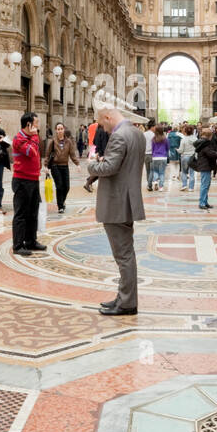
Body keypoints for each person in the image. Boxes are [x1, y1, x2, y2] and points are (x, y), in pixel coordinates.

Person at [84, 105, 145, 314]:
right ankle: (123, 298)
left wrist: (91, 164)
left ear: (108, 117)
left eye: (103, 124)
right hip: (128, 201)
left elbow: (109, 168)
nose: (105, 130)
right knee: (125, 253)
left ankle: (127, 303)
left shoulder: (119, 135)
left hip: (117, 202)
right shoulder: (137, 133)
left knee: (124, 256)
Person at [11, 112, 43, 255]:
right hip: (22, 180)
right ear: (28, 124)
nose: (38, 125)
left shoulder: (30, 138)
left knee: (33, 213)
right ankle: (18, 245)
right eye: (36, 123)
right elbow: (31, 152)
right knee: (21, 214)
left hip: (34, 179)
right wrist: (35, 136)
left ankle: (31, 241)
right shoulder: (19, 138)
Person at [44, 121, 76, 213]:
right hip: (55, 166)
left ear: (64, 129)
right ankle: (60, 206)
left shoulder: (68, 142)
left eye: (61, 129)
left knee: (67, 187)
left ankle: (62, 201)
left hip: (65, 166)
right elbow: (47, 155)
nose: (60, 131)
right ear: (56, 130)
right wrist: (45, 166)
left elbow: (72, 154)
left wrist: (77, 164)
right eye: (58, 129)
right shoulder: (53, 141)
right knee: (60, 186)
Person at [193, 127, 217, 209]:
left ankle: (205, 201)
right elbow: (210, 153)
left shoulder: (202, 142)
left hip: (205, 166)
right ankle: (202, 203)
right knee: (205, 185)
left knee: (206, 185)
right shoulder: (205, 144)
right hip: (205, 166)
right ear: (209, 136)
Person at [149, 125, 169, 191]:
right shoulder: (165, 139)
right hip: (163, 157)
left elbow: (152, 148)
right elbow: (167, 148)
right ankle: (161, 187)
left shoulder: (153, 139)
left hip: (155, 157)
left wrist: (153, 155)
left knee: (155, 171)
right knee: (162, 173)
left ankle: (155, 181)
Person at [178, 124, 197, 192]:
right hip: (192, 157)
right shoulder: (195, 139)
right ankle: (191, 188)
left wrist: (177, 150)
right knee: (192, 173)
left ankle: (184, 185)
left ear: (185, 131)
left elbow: (181, 150)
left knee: (184, 172)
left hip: (185, 157)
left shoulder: (183, 139)